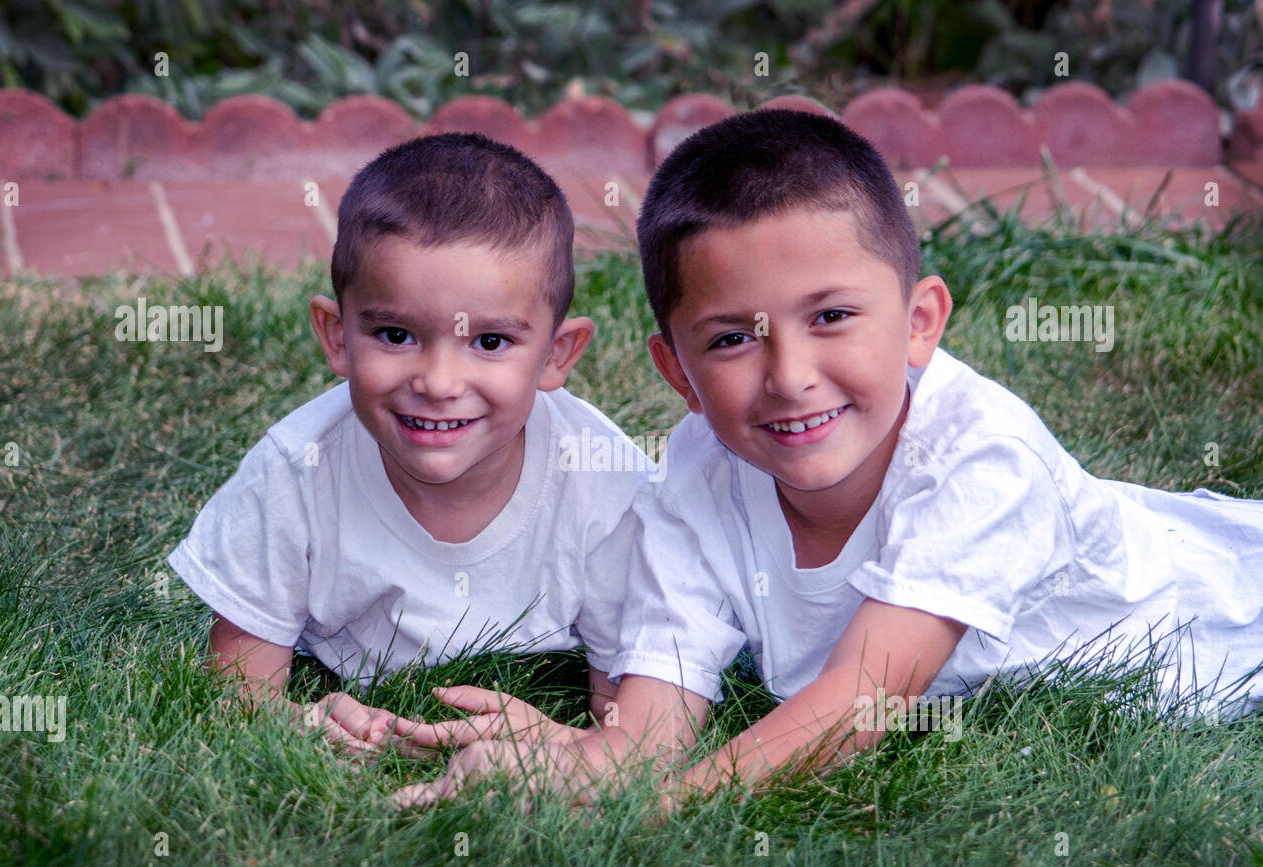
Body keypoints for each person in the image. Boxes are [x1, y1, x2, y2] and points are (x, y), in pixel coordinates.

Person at [392, 109, 1263, 809]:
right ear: (678, 373)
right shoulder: (695, 476)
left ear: (920, 321)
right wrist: (588, 765)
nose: (791, 376)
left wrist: (666, 806)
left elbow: (865, 695)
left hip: (1225, 615)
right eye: (734, 338)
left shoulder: (981, 458)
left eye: (833, 317)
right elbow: (655, 713)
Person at [168, 133, 651, 758]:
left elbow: (629, 715)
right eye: (396, 334)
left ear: (558, 355)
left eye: (491, 342)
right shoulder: (296, 470)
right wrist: (302, 725)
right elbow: (234, 691)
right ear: (337, 336)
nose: (438, 384)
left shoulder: (605, 481)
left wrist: (555, 744)